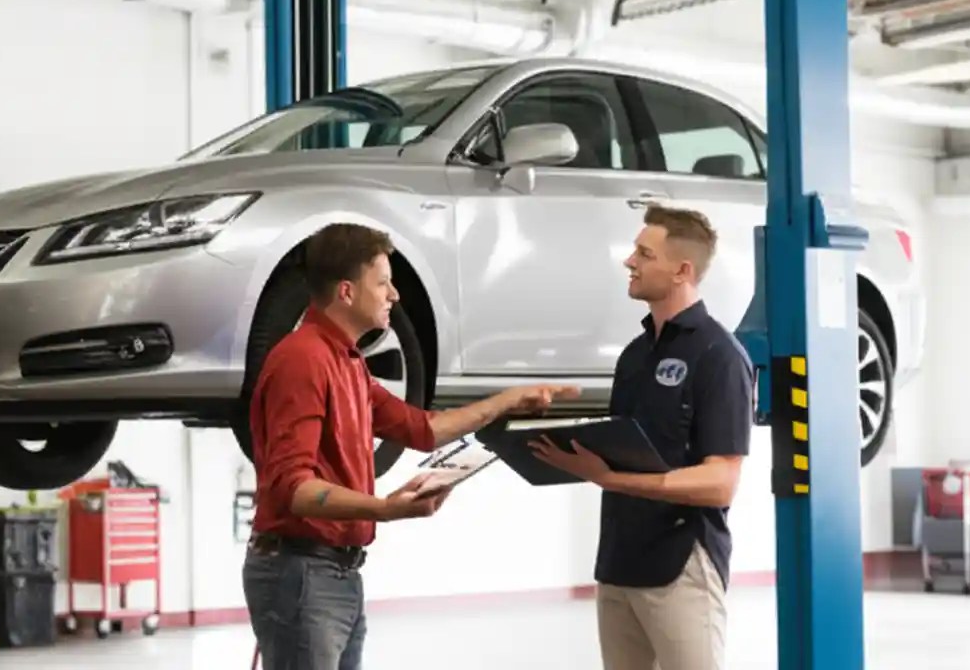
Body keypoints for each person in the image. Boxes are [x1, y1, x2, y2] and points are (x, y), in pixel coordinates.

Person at [243, 222, 579, 670]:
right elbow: (294, 489)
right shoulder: (303, 360)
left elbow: (422, 429)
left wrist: (508, 401)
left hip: (334, 573)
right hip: (302, 573)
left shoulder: (348, 362)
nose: (394, 295)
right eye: (382, 282)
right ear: (346, 291)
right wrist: (384, 508)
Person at [531, 204, 753, 670]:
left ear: (682, 270)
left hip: (682, 565)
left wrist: (612, 479)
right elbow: (623, 446)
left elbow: (719, 483)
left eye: (644, 253)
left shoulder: (720, 356)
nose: (630, 261)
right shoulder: (634, 356)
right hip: (618, 563)